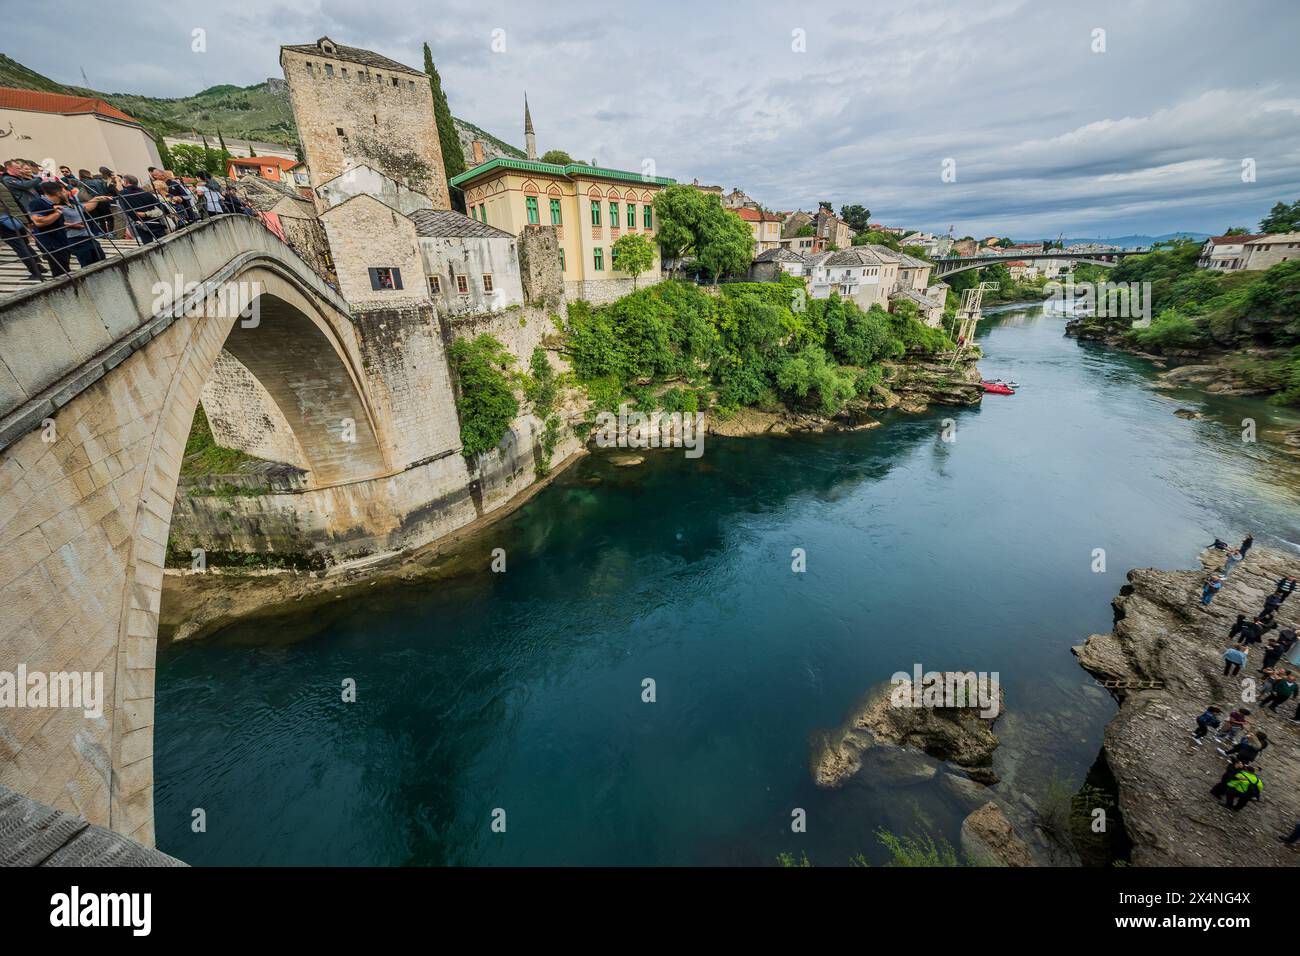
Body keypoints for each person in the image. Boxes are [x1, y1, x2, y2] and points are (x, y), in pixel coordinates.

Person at [116, 174, 167, 244]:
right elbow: (164, 208)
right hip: (156, 222)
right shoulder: (146, 193)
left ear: (126, 182)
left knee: (148, 246)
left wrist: (118, 181)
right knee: (164, 243)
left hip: (140, 224)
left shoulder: (124, 194)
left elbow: (127, 209)